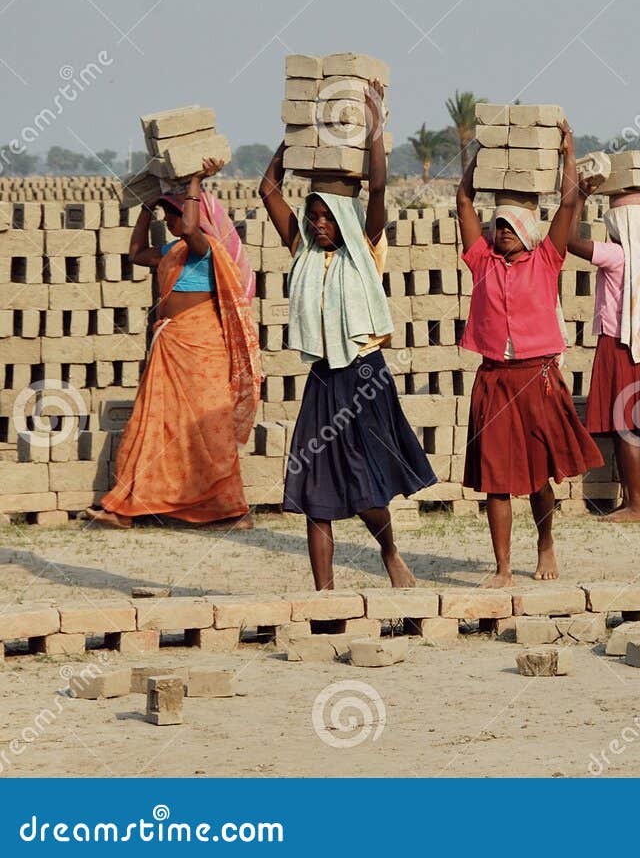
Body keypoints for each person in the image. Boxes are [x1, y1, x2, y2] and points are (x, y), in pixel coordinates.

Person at [260, 80, 432, 589]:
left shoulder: (366, 247)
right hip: (323, 379)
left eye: (326, 217)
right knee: (314, 487)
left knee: (365, 480)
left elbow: (376, 189)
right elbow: (268, 190)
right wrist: (296, 139)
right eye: (312, 216)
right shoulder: (302, 251)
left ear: (343, 219)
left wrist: (374, 124)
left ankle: (389, 551)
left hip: (363, 376)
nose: (318, 225)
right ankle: (324, 594)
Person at [456, 122, 601, 584]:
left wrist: (568, 153)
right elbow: (463, 203)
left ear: (526, 230)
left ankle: (545, 544)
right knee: (496, 481)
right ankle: (502, 566)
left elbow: (568, 203)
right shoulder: (481, 262)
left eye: (510, 225)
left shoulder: (546, 260)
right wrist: (477, 158)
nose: (501, 232)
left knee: (538, 477)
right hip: (494, 380)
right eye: (497, 225)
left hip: (536, 379)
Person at [90, 160, 261, 529]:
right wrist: (146, 208)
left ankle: (232, 511)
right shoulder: (172, 251)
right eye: (167, 214)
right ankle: (127, 506)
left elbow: (190, 227)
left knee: (208, 431)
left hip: (202, 348)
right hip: (171, 345)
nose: (170, 220)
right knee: (153, 423)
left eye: (175, 214)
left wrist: (195, 181)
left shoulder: (205, 248)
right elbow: (137, 253)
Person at [568, 179, 640, 523]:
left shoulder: (615, 255)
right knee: (632, 425)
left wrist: (580, 197)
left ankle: (637, 505)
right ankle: (633, 500)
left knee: (626, 425)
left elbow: (569, 241)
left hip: (621, 345)